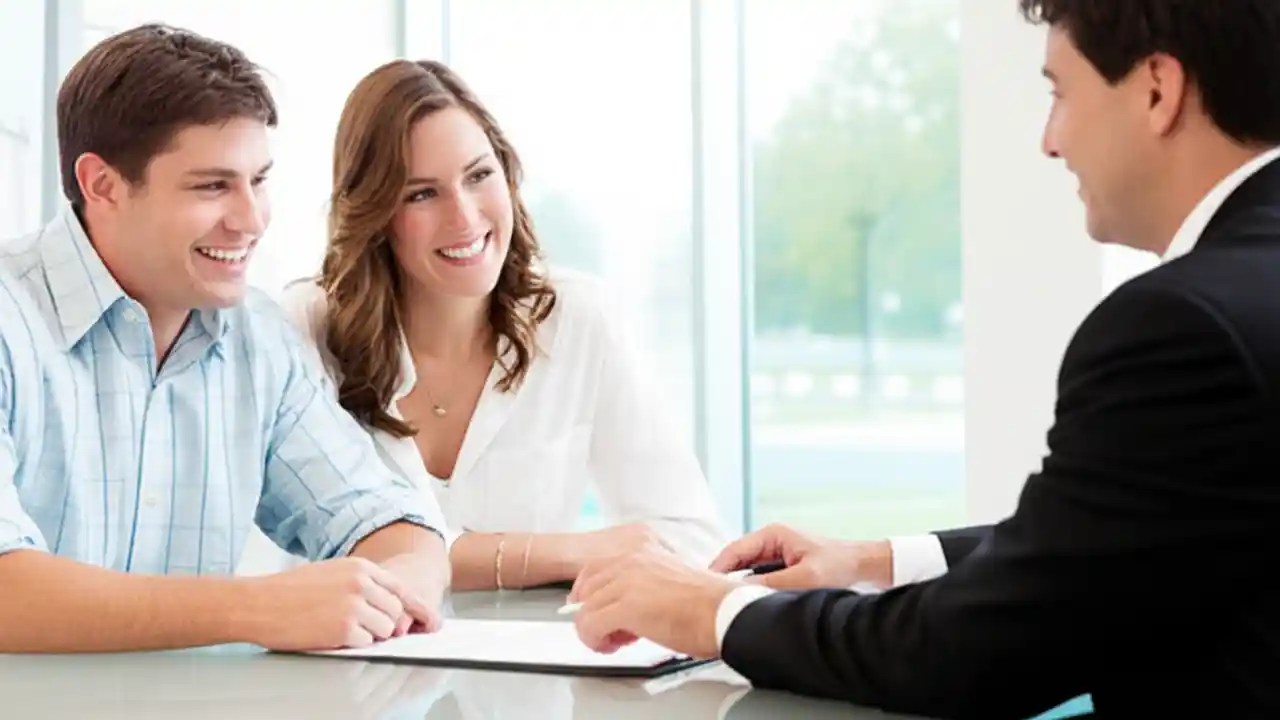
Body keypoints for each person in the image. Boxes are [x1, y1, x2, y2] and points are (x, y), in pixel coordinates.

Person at [567, 1, 1280, 716]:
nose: (1049, 140)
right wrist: (872, 562)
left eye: (1059, 93)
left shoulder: (1182, 327)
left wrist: (713, 613)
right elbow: (1115, 540)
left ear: (1158, 89)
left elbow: (974, 651)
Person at [0, 24, 451, 654]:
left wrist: (393, 592)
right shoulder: (9, 321)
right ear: (102, 185)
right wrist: (257, 607)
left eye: (258, 180)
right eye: (212, 186)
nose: (251, 219)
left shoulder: (258, 341)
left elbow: (392, 522)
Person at [238, 59, 725, 589]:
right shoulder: (307, 328)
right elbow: (359, 552)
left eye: (479, 175)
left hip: (535, 664)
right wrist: (569, 554)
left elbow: (690, 538)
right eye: (422, 194)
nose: (465, 217)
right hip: (357, 665)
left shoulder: (576, 318)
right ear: (375, 214)